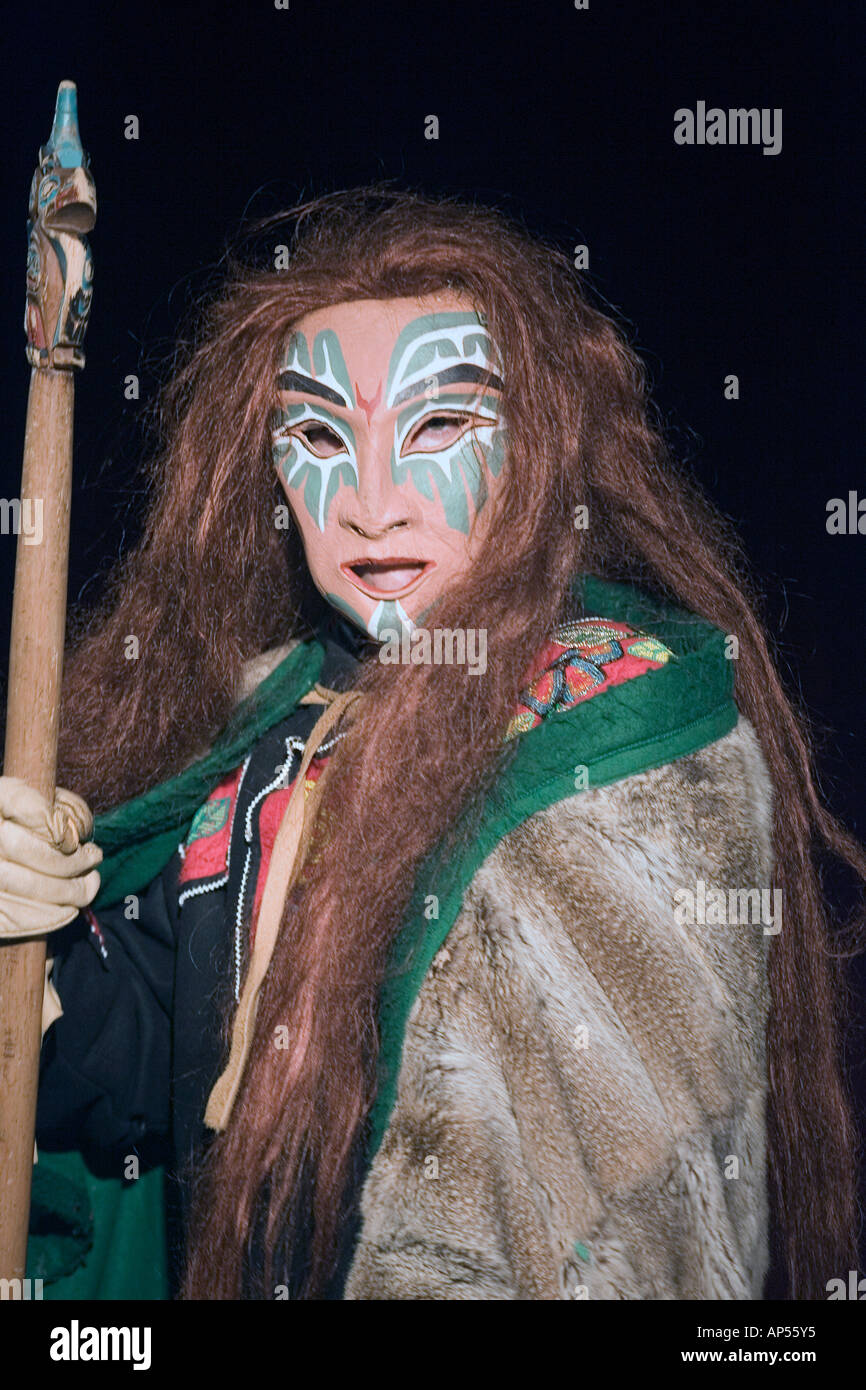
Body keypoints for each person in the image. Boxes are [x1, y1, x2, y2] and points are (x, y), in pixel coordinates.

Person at [1, 188, 863, 1300]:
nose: (373, 504)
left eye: (440, 426)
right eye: (320, 438)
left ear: (537, 446)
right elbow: (140, 1068)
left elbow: (642, 1232)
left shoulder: (627, 750)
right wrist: (36, 949)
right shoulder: (269, 730)